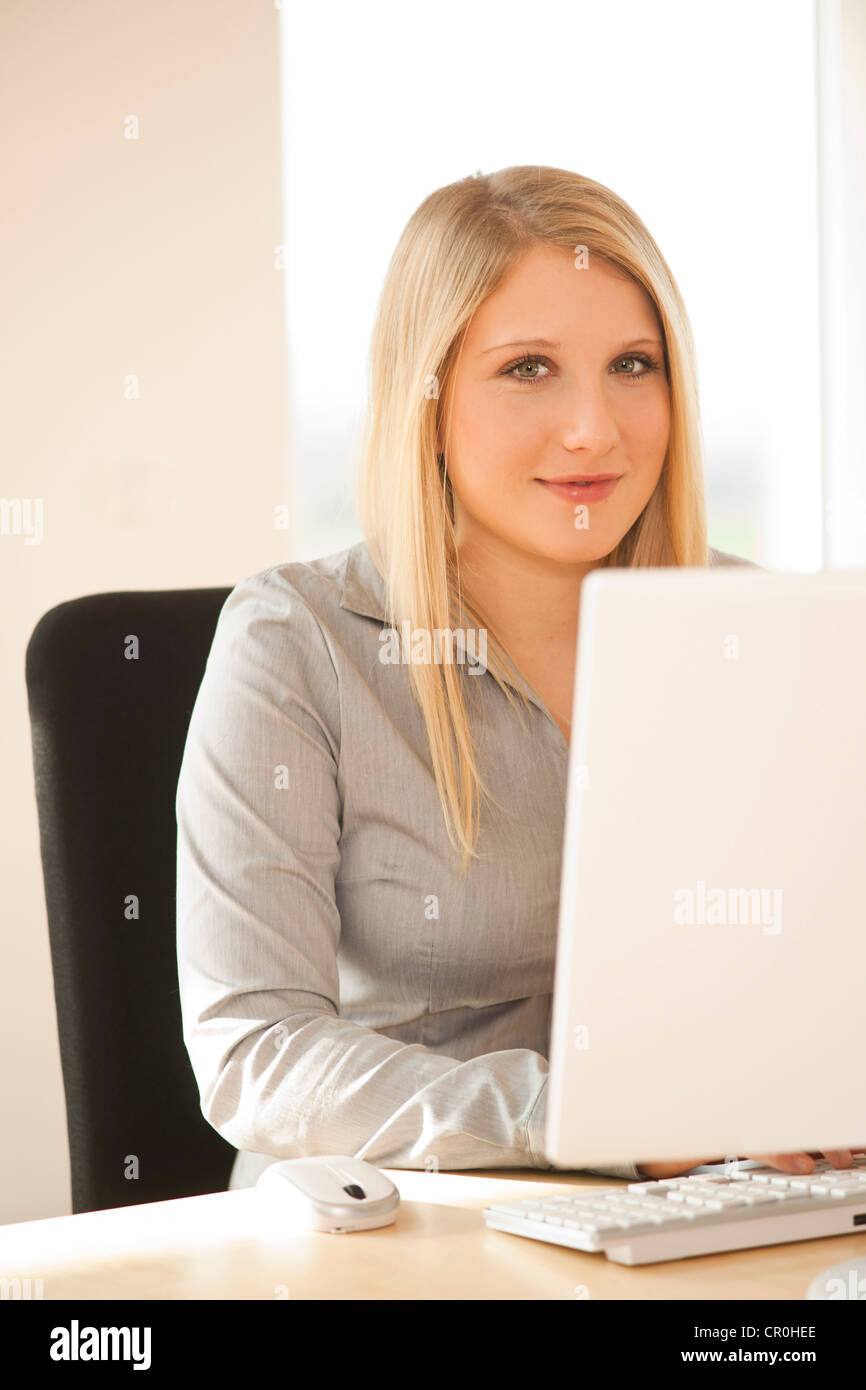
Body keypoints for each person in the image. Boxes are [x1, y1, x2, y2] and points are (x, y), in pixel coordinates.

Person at [176, 164, 860, 1187]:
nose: (593, 427)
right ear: (427, 395)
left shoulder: (757, 631)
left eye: (633, 364)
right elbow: (254, 1053)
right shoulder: (297, 642)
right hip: (406, 1219)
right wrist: (596, 1121)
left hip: (719, 1201)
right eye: (528, 368)